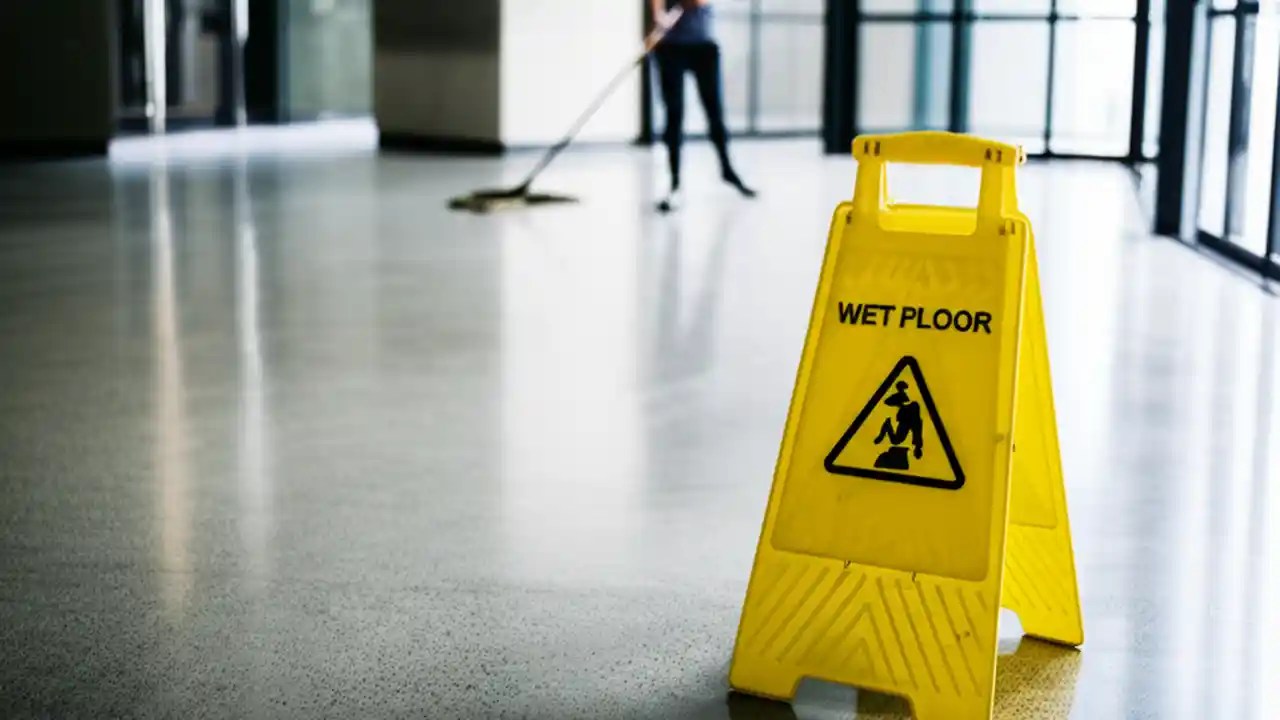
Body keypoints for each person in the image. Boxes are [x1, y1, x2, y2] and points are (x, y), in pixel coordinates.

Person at [650, 0, 756, 213]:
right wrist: (659, 14)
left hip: (703, 46)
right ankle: (674, 182)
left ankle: (727, 170)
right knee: (674, 113)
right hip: (670, 47)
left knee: (714, 112)